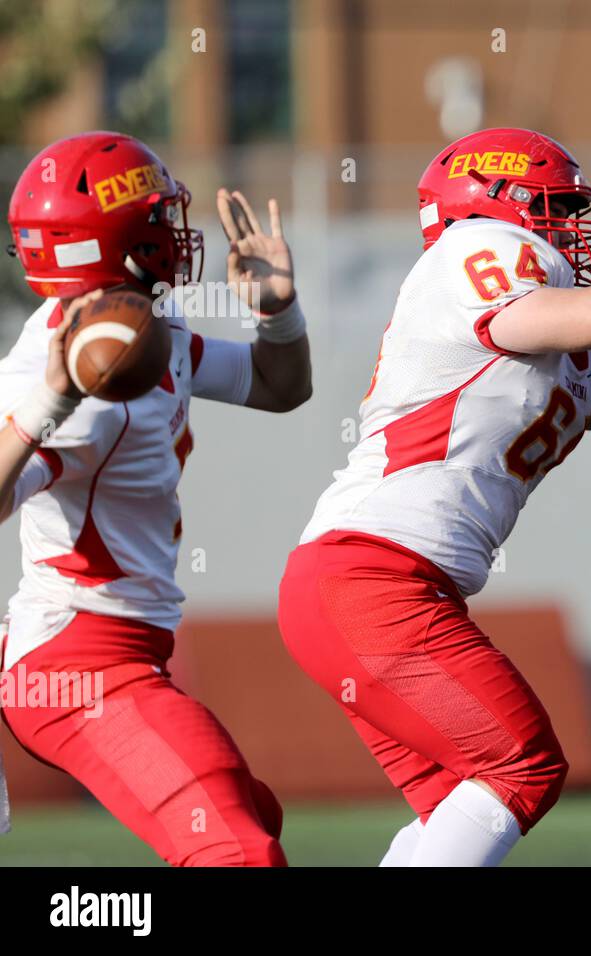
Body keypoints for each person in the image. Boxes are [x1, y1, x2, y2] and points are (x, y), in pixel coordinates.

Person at [277, 126, 591, 866]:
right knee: (522, 764)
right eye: (554, 207)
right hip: (370, 577)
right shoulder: (469, 253)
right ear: (493, 208)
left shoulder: (544, 333)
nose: (571, 230)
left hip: (370, 586)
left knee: (458, 805)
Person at [0, 130, 312, 865]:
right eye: (155, 217)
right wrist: (50, 398)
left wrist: (277, 313)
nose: (174, 231)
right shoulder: (72, 378)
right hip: (74, 666)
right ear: (109, 240)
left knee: (253, 818)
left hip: (128, 651)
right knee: (234, 852)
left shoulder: (143, 332)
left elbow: (280, 386)